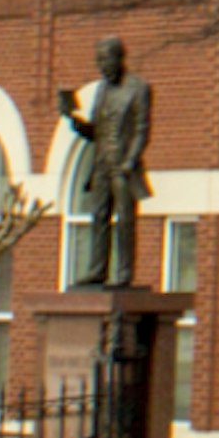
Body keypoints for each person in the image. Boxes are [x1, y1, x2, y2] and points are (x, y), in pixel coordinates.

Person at [54, 40, 153, 293]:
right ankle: (97, 271)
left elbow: (142, 130)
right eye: (99, 62)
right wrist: (73, 121)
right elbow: (96, 131)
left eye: (106, 61)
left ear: (120, 58)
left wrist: (130, 161)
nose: (102, 68)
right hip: (101, 164)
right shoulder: (102, 90)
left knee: (125, 220)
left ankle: (123, 273)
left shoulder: (138, 88)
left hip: (123, 166)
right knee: (98, 217)